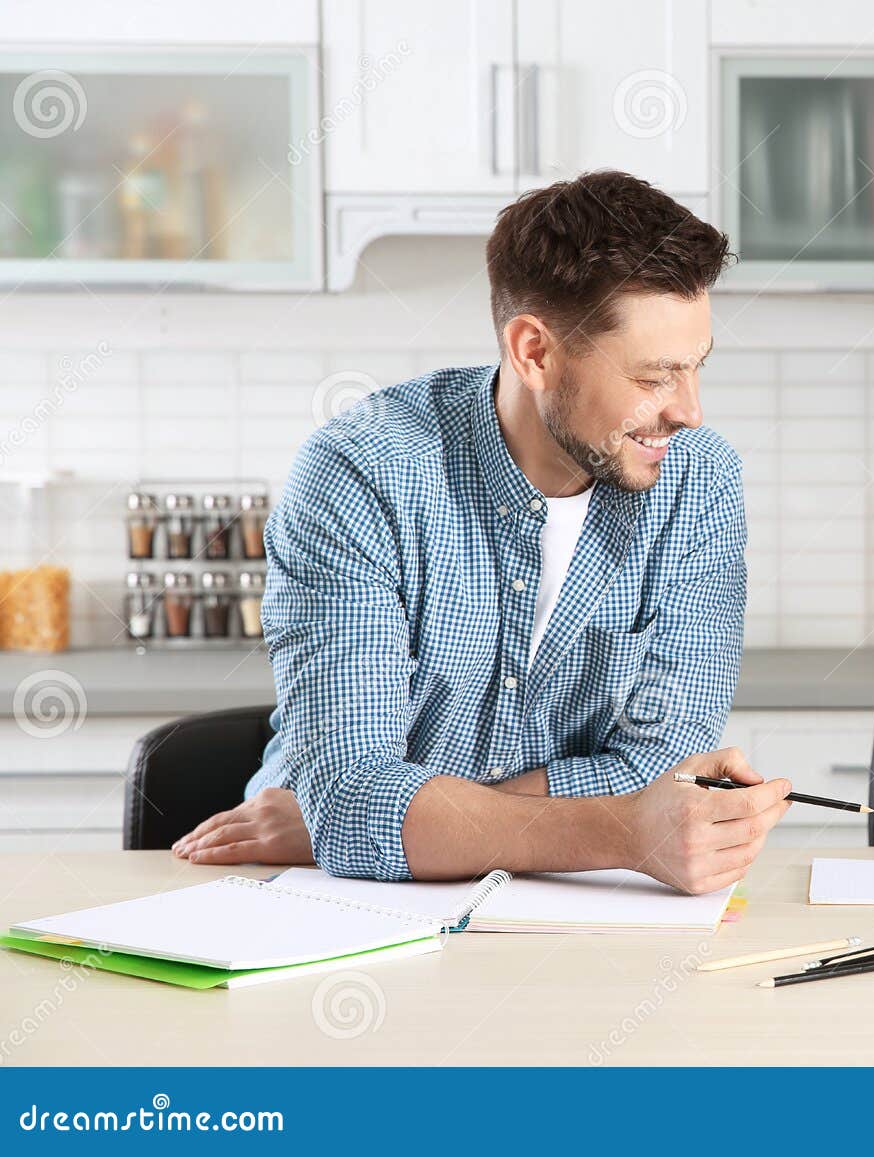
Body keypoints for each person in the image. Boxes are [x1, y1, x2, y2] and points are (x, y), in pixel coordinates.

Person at [172, 171, 790, 891]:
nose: (690, 410)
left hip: (566, 902)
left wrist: (404, 818)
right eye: (656, 376)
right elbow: (348, 803)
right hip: (333, 897)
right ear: (534, 352)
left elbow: (659, 767)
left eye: (696, 368)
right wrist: (624, 825)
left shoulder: (697, 481)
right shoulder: (361, 471)